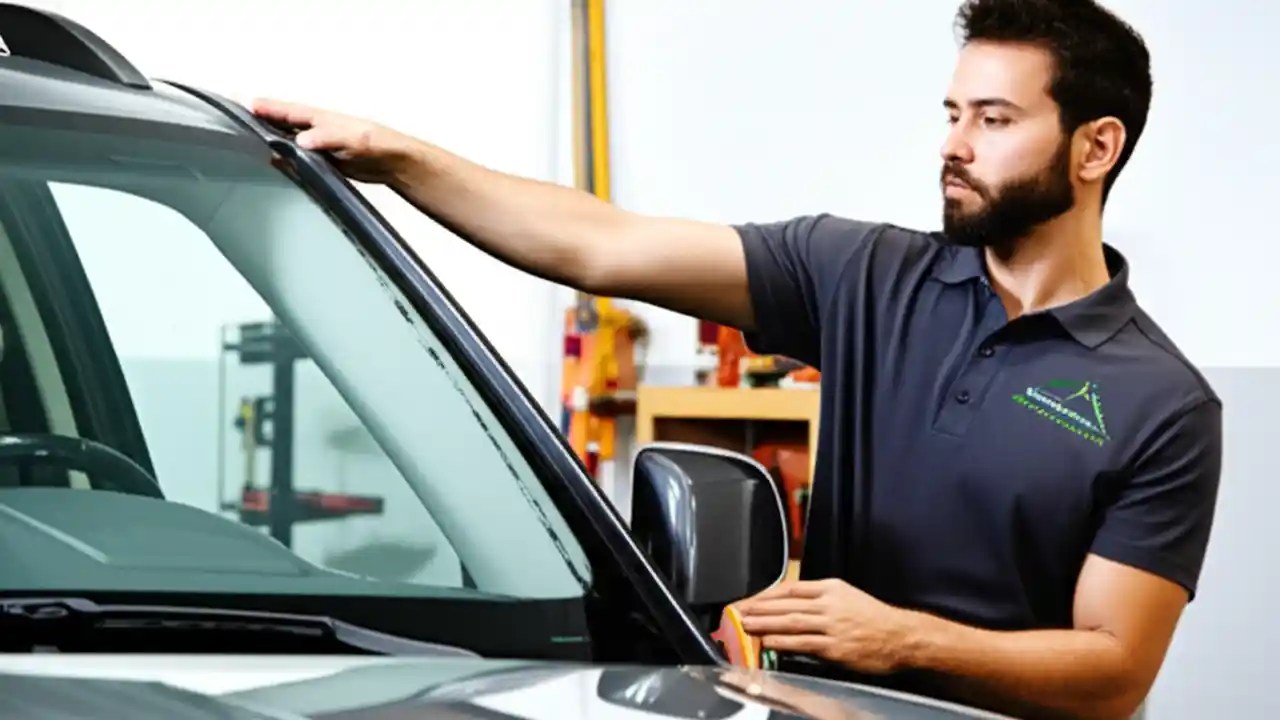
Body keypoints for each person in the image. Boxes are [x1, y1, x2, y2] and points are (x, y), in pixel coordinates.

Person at [252, 0, 1221, 717]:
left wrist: (896, 640)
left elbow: (1112, 671)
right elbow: (600, 244)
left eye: (993, 120)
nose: (951, 145)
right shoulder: (862, 273)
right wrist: (400, 159)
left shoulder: (1157, 402)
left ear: (1094, 148)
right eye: (951, 112)